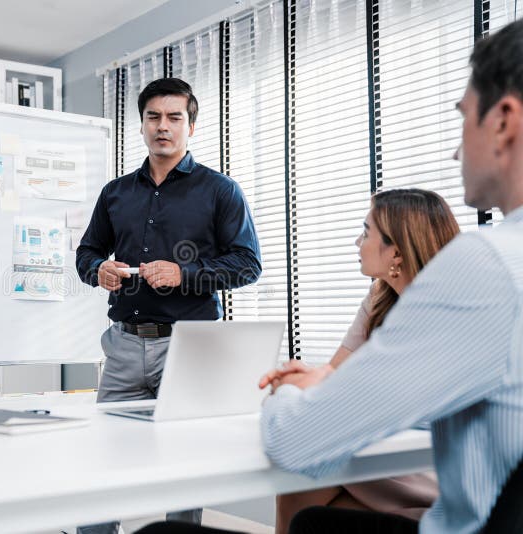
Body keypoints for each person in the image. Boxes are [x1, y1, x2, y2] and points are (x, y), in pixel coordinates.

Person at [257, 18, 523, 534]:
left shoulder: (485, 265)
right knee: (318, 518)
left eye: (462, 118)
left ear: (504, 121)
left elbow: (295, 443)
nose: (454, 151)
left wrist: (290, 394)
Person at [75, 77, 261, 532]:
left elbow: (247, 265)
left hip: (188, 347)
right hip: (123, 346)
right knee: (104, 459)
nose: (163, 126)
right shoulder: (115, 193)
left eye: (174, 117)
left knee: (185, 467)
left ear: (190, 126)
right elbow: (86, 254)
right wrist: (97, 269)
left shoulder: (220, 191)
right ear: (141, 125)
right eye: (153, 117)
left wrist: (184, 273)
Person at [268, 188, 458, 534]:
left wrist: (302, 392)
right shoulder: (379, 296)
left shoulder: (447, 314)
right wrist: (307, 375)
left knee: (304, 474)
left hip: (429, 466)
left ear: (396, 252)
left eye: (366, 232)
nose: (358, 242)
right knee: (301, 491)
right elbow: (336, 371)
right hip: (379, 456)